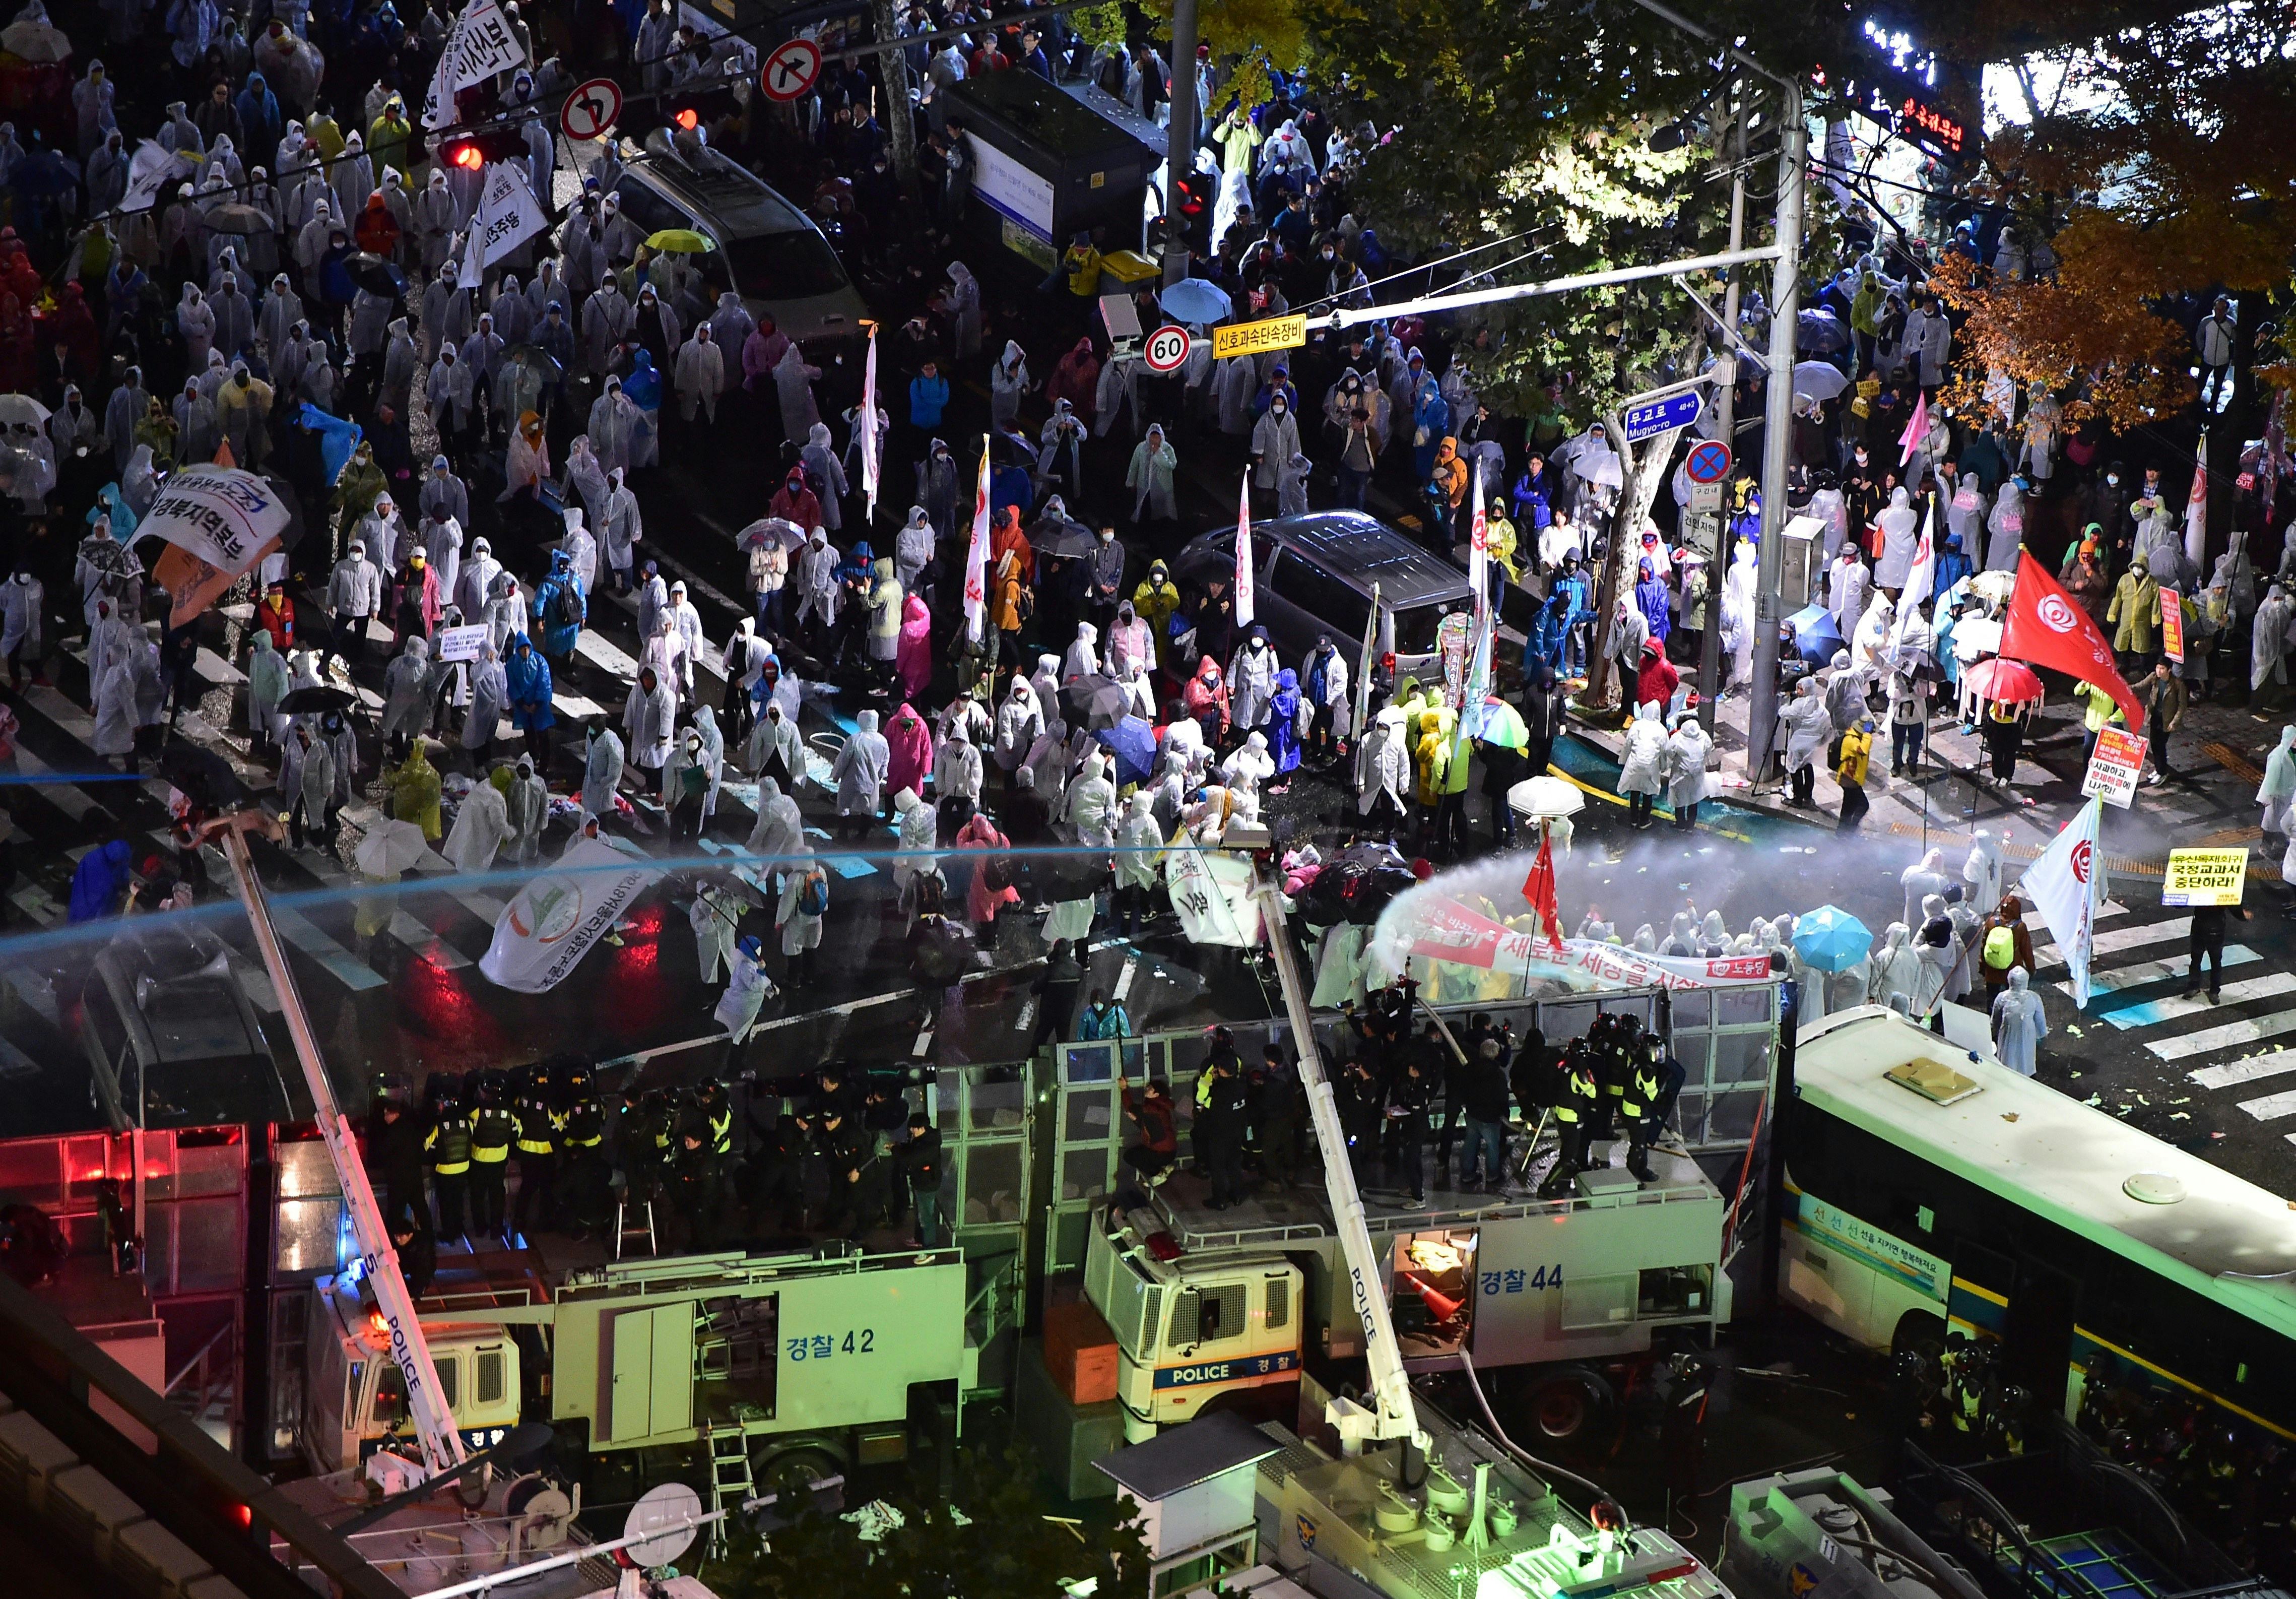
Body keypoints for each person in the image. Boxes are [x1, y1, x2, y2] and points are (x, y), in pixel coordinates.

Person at [2185, 900, 2248, 1002]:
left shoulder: (2222, 890)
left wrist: (2241, 915)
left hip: (2215, 930)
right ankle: (2194, 986)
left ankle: (2214, 991)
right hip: (2200, 928)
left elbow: (2232, 902)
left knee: (2215, 962)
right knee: (2197, 959)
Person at [1990, 967, 2048, 1076]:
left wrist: (1996, 1032)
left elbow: (1995, 1021)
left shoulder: (2001, 998)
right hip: (2026, 1036)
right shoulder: (2034, 998)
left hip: (2007, 1035)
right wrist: (2041, 1033)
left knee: (2007, 1061)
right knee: (2025, 1061)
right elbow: (2040, 1022)